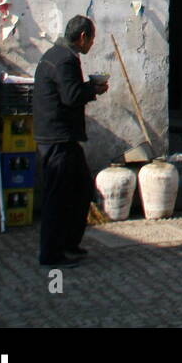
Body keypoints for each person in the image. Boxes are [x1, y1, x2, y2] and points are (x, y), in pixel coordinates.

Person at [33, 15, 109, 268]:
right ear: (83, 37)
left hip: (62, 137)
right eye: (92, 40)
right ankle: (51, 254)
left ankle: (69, 242)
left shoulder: (55, 55)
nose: (91, 45)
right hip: (57, 138)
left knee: (80, 190)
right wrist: (93, 89)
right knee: (57, 197)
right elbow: (71, 96)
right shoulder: (65, 59)